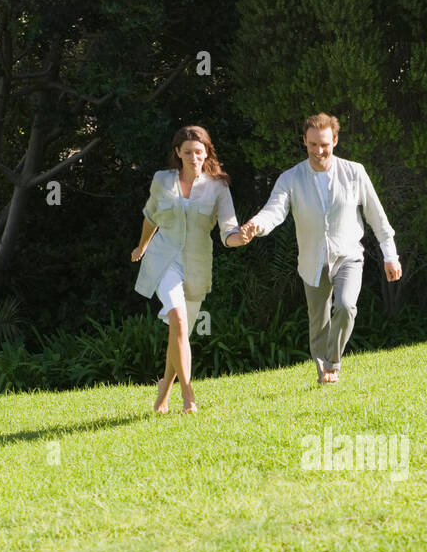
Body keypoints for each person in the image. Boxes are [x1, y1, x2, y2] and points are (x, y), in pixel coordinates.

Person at [242, 113, 401, 384]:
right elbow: (274, 210)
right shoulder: (291, 178)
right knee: (318, 323)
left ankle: (333, 363)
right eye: (313, 144)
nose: (319, 151)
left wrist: (391, 255)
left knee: (347, 305)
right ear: (304, 141)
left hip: (348, 256)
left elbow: (377, 216)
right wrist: (257, 224)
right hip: (311, 261)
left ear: (335, 141)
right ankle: (324, 375)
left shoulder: (354, 172)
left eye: (324, 144)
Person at [131, 125, 255, 413]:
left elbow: (228, 231)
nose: (193, 157)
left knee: (180, 333)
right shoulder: (162, 180)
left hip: (197, 266)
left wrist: (242, 237)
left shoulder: (218, 187)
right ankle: (188, 395)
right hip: (164, 259)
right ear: (178, 153)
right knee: (178, 318)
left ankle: (163, 392)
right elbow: (151, 216)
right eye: (187, 152)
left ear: (206, 152)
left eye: (199, 152)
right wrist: (142, 246)